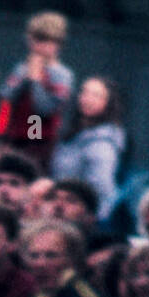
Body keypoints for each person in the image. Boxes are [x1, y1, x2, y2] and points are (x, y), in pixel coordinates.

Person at [0, 11, 74, 171]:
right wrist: (24, 78)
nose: (40, 47)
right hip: (13, 138)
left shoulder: (62, 75)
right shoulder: (22, 68)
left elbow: (42, 110)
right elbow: (5, 97)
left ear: (57, 45)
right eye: (37, 40)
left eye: (47, 42)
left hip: (39, 140)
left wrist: (36, 81)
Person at [49, 76, 126, 223]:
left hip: (80, 219)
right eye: (85, 92)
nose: (87, 99)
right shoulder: (71, 134)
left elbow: (101, 190)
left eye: (96, 95)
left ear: (108, 103)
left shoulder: (103, 145)